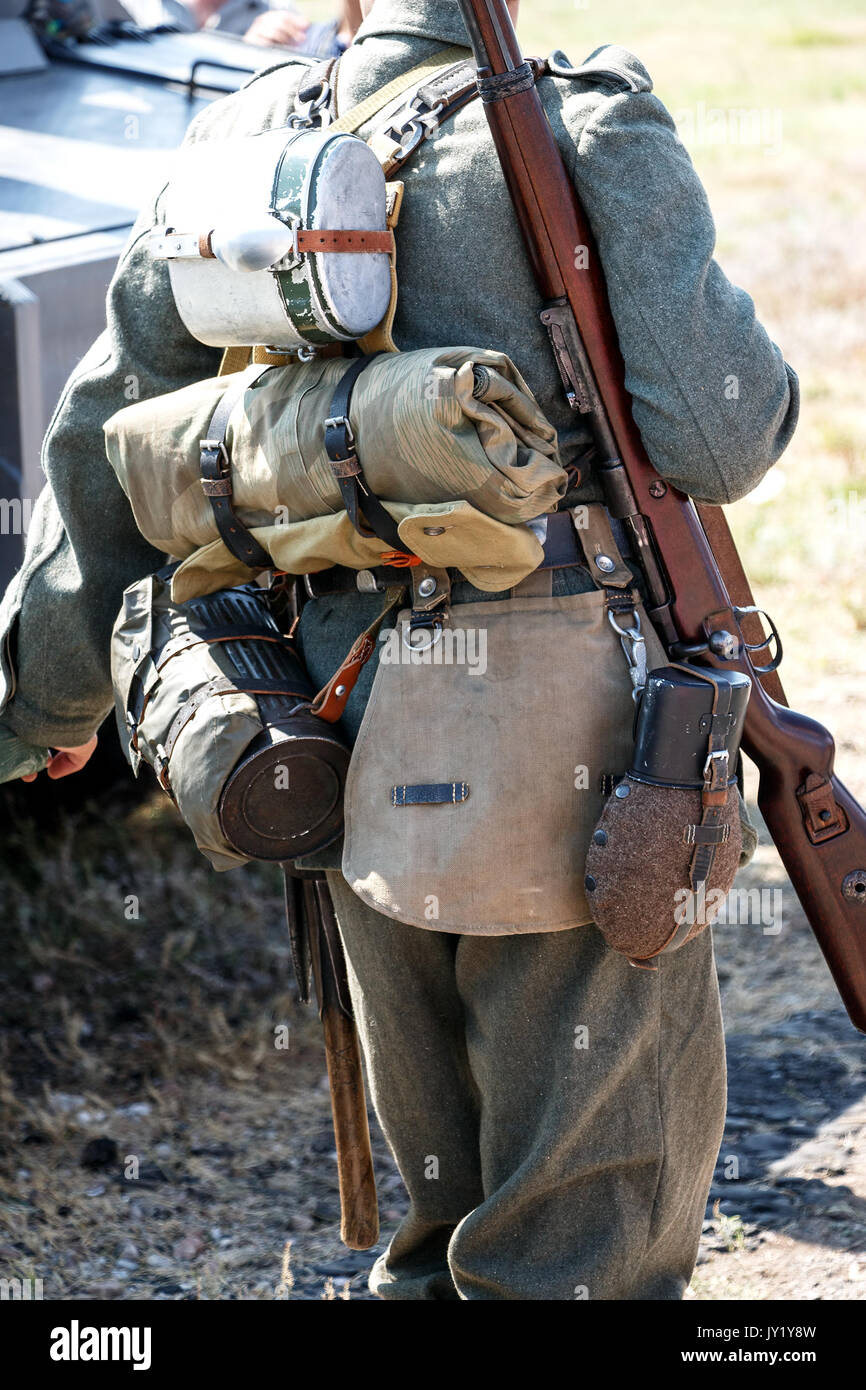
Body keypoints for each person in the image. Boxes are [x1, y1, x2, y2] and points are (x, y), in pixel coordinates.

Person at [0, 0, 798, 1298]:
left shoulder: (245, 135)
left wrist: (46, 699)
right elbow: (726, 434)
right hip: (574, 758)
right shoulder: (578, 118)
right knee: (574, 1255)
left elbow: (102, 448)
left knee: (437, 1231)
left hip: (341, 736)